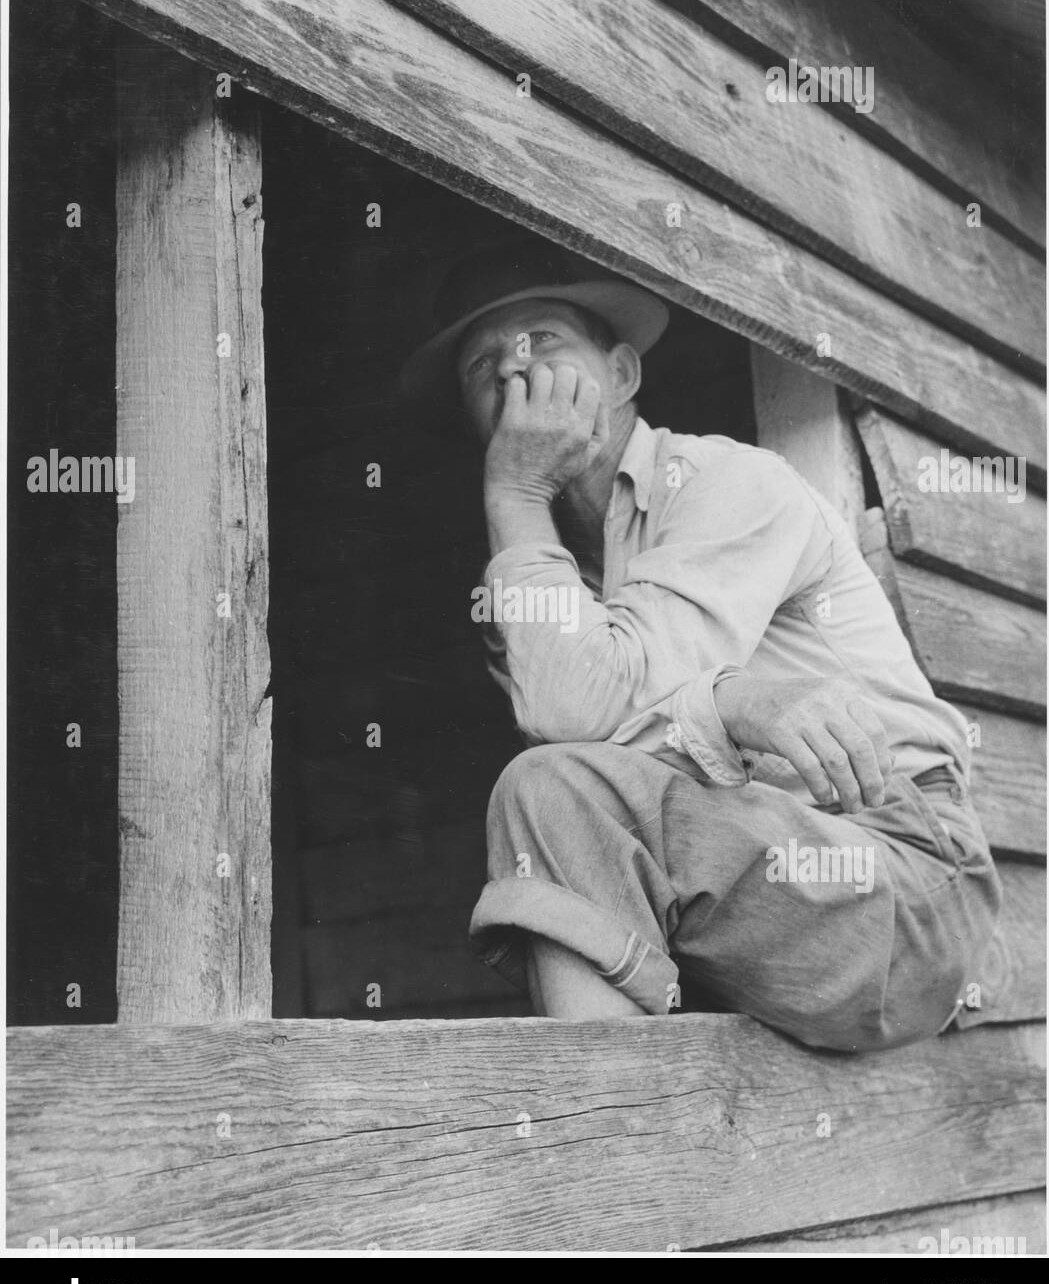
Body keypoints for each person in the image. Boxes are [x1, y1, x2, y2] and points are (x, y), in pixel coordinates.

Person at [401, 242, 1001, 1051]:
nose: (516, 373)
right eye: (483, 367)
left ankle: (610, 1137)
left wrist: (513, 490)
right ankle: (617, 1130)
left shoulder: (729, 482)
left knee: (550, 788)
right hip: (758, 891)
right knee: (559, 795)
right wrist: (726, 704)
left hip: (902, 878)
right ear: (476, 423)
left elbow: (582, 727)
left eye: (543, 341)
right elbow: (590, 743)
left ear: (620, 375)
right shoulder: (535, 580)